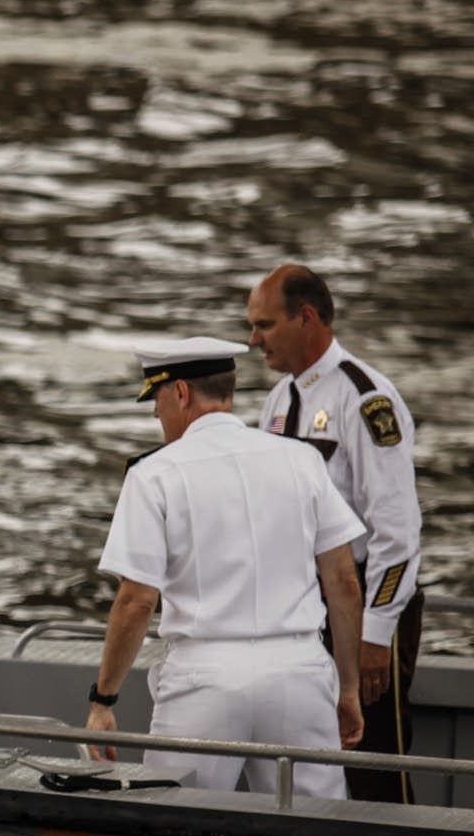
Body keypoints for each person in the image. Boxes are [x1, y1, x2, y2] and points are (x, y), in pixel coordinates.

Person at [87, 337, 366, 797]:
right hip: (299, 672)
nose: (156, 415)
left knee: (174, 826)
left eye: (155, 399)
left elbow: (137, 600)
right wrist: (348, 689)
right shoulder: (302, 459)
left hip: (205, 680)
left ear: (180, 393)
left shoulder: (154, 474)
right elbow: (343, 582)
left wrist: (104, 699)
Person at [248, 264, 424, 803]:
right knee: (311, 759)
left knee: (373, 769)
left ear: (306, 318)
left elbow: (397, 533)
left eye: (263, 326)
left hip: (364, 603)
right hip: (304, 606)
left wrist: (376, 632)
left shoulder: (366, 400)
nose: (253, 340)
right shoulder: (279, 401)